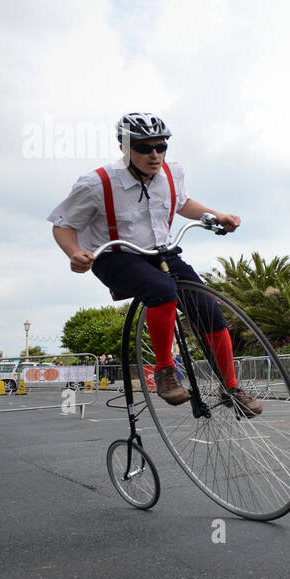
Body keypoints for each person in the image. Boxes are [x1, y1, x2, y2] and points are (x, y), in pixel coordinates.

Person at [48, 113, 261, 414]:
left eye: (161, 147)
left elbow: (182, 202)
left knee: (208, 307)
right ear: (124, 147)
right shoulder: (97, 183)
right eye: (145, 148)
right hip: (114, 256)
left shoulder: (172, 173)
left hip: (162, 253)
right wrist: (73, 252)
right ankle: (165, 372)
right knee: (161, 289)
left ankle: (231, 386)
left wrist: (215, 216)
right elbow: (62, 223)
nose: (154, 155)